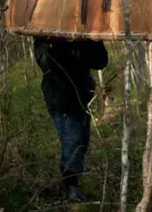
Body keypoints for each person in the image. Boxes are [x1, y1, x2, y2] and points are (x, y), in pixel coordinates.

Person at [34, 38, 108, 202]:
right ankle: (71, 186)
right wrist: (59, 46)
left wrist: (94, 41)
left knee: (82, 141)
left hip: (81, 97)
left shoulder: (84, 36)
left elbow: (101, 61)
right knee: (72, 140)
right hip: (60, 97)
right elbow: (46, 63)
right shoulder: (45, 36)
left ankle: (74, 182)